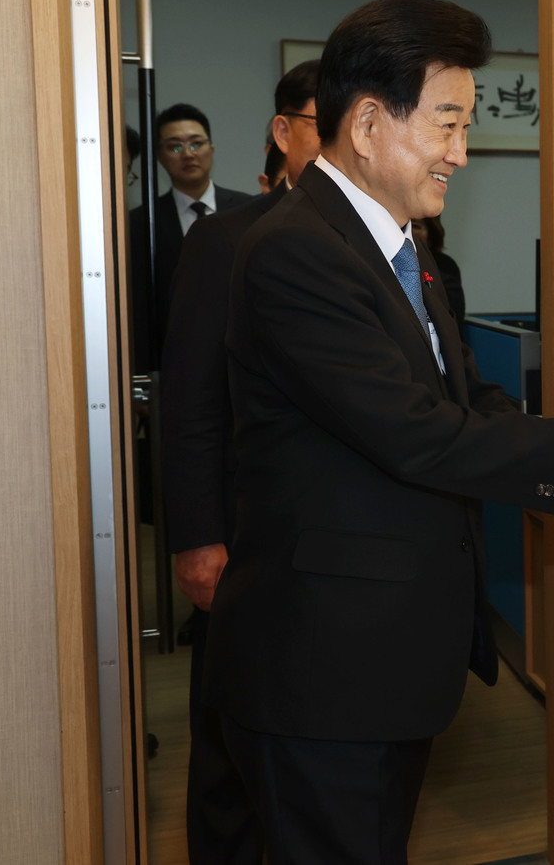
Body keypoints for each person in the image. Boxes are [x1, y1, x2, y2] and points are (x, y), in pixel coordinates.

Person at [205, 0, 554, 862]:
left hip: (380, 661)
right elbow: (416, 432)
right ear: (368, 124)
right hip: (324, 671)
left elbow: (465, 397)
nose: (461, 153)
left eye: (466, 126)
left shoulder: (405, 249)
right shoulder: (298, 250)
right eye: (447, 123)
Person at [158, 58, 321, 865]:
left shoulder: (387, 239)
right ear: (283, 132)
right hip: (241, 536)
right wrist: (195, 536)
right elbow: (190, 402)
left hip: (330, 552)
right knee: (228, 752)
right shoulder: (226, 238)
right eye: (325, 124)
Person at [129, 102, 253, 371]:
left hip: (244, 362)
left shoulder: (249, 210)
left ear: (212, 150)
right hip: (174, 363)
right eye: (175, 147)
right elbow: (138, 311)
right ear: (159, 157)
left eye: (196, 144)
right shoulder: (140, 223)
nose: (188, 154)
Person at [411, 215, 465, 322]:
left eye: (414, 226)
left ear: (431, 236)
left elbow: (452, 318)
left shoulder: (444, 266)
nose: (407, 232)